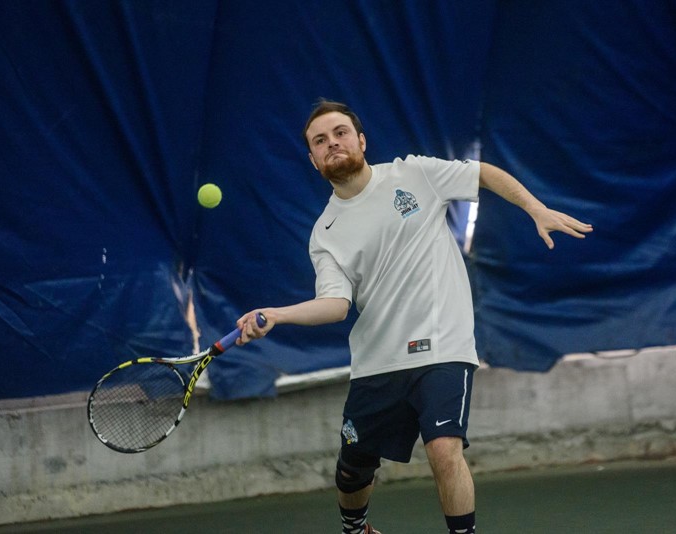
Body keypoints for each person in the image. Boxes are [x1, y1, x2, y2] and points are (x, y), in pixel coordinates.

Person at [235, 100, 593, 534]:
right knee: (353, 469)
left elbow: (482, 173)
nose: (333, 143)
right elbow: (336, 304)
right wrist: (277, 314)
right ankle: (356, 529)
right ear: (313, 160)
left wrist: (535, 208)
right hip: (378, 362)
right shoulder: (324, 233)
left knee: (444, 449)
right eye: (320, 141)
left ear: (361, 140)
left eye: (341, 133)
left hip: (443, 347)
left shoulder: (414, 173)